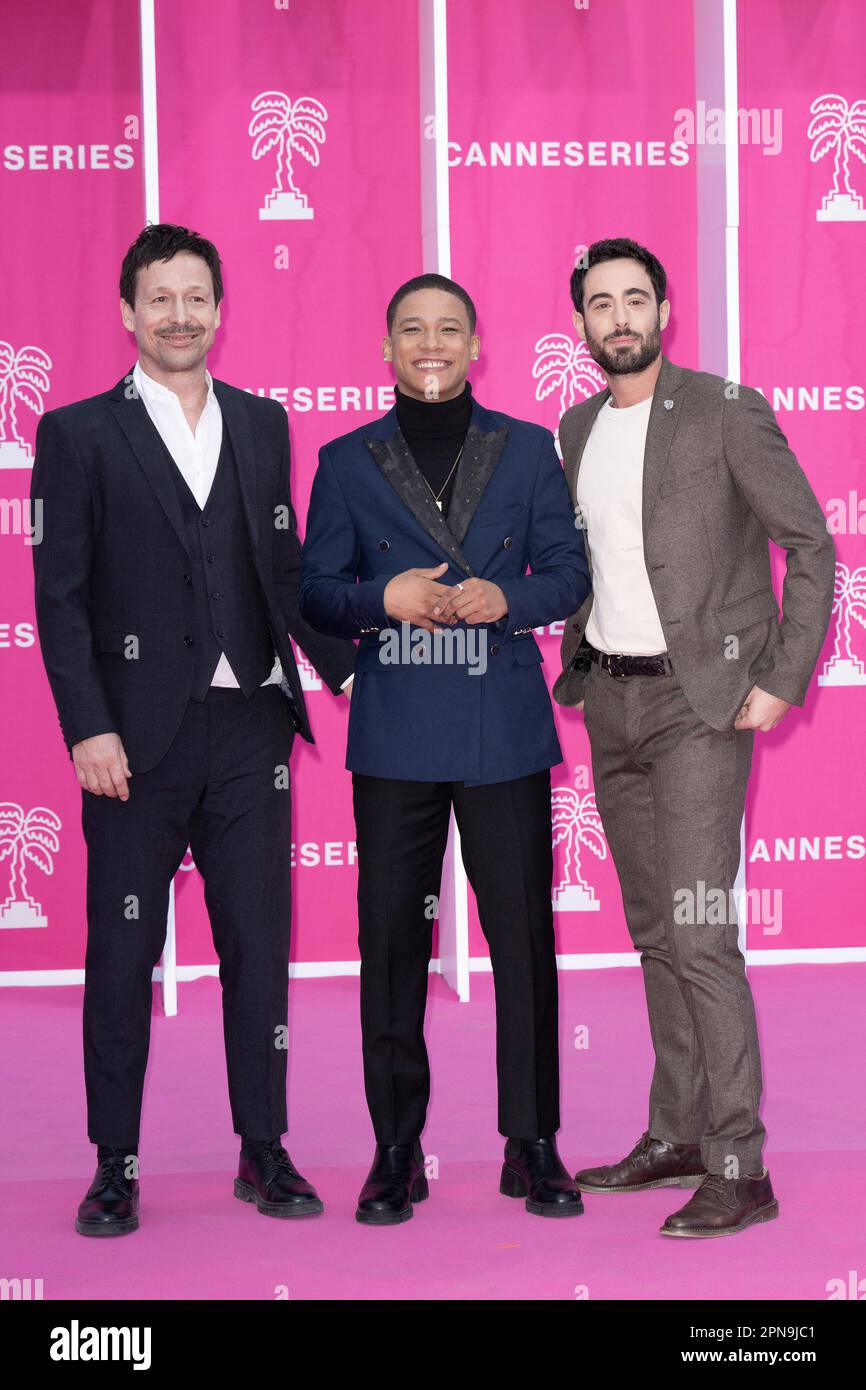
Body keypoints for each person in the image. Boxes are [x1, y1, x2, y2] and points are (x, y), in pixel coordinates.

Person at [30, 223, 356, 1236]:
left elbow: (281, 568)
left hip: (250, 732)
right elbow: (61, 597)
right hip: (132, 744)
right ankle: (113, 1165)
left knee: (258, 952)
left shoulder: (262, 425)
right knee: (121, 959)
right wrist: (88, 728)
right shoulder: (78, 433)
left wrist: (357, 663)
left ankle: (262, 1152)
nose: (179, 314)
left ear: (219, 310)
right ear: (128, 312)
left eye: (196, 297)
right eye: (159, 298)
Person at [553, 237, 835, 1237]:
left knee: (700, 932)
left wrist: (779, 677)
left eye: (635, 299)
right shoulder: (574, 426)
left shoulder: (722, 408)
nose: (619, 316)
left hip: (700, 709)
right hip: (613, 707)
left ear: (663, 313)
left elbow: (809, 544)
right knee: (650, 933)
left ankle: (736, 1163)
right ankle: (674, 1130)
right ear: (580, 323)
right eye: (600, 303)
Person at [299, 273, 591, 1224]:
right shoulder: (346, 461)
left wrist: (512, 598)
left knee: (524, 941)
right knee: (389, 944)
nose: (432, 343)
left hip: (502, 728)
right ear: (387, 348)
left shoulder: (527, 450)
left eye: (450, 329)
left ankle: (533, 1142)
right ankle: (396, 1150)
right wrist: (380, 601)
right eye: (413, 330)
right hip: (395, 732)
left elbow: (569, 572)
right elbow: (315, 591)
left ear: (476, 345)